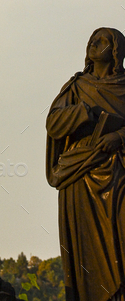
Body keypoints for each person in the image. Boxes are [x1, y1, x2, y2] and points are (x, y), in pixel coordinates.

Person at [46, 27, 125, 301]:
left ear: (116, 50)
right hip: (79, 173)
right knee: (86, 252)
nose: (94, 43)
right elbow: (53, 123)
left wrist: (118, 135)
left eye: (102, 40)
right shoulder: (77, 87)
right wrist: (83, 113)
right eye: (92, 39)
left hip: (117, 171)